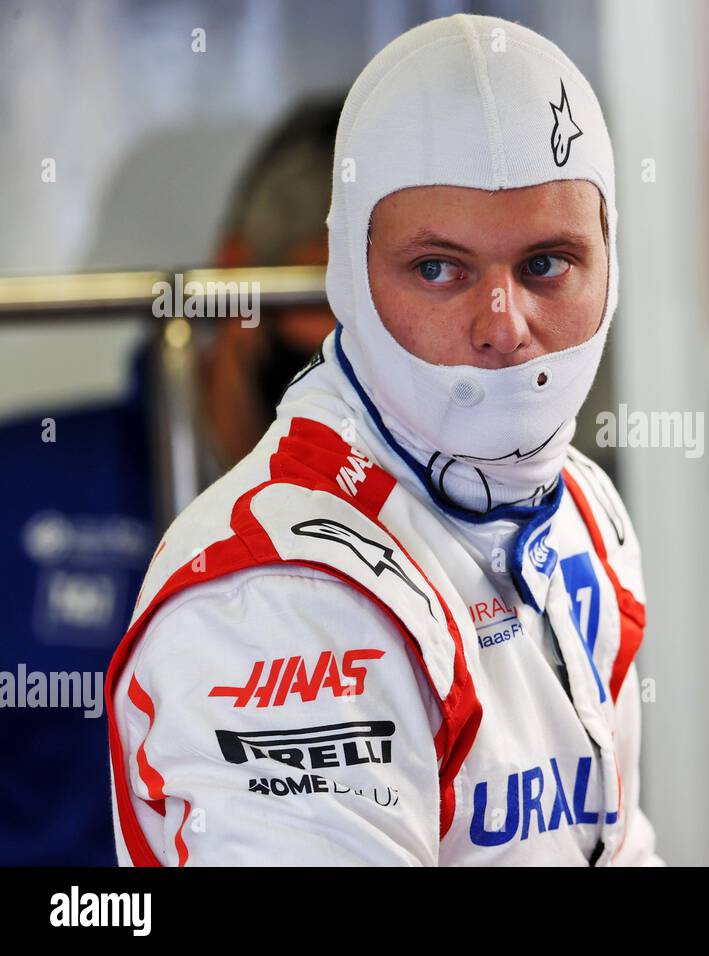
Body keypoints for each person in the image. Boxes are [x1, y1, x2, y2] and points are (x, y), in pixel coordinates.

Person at [106, 14, 662, 866]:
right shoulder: (278, 599)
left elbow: (617, 849)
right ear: (348, 280)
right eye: (439, 269)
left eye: (547, 263)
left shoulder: (586, 510)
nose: (504, 326)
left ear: (611, 262)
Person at [0, 98, 338, 866]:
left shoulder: (440, 522)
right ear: (239, 274)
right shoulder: (20, 497)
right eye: (330, 294)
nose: (365, 344)